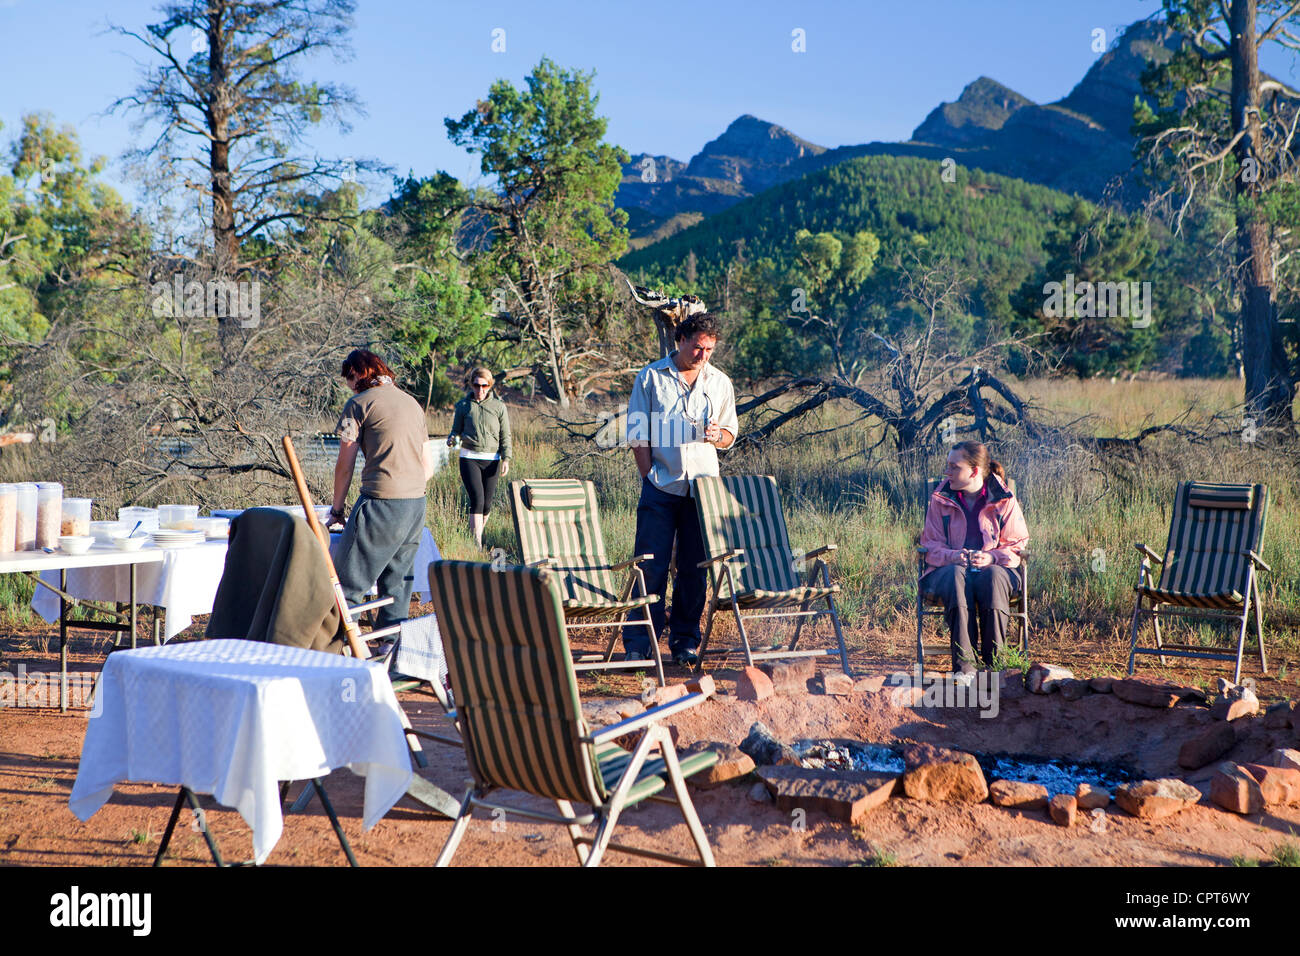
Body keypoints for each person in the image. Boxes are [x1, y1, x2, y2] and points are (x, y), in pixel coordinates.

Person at [623, 313, 738, 668]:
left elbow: (730, 437)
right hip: (661, 485)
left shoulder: (720, 382)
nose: (703, 355)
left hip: (703, 490)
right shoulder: (651, 377)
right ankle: (641, 642)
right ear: (680, 339)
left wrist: (717, 435)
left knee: (694, 569)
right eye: (697, 347)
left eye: (709, 349)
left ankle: (685, 641)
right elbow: (637, 435)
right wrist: (649, 478)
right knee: (651, 566)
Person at [330, 348, 430, 629]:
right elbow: (428, 468)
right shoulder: (412, 404)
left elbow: (344, 466)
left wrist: (337, 509)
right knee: (397, 584)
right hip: (415, 505)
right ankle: (389, 648)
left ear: (361, 373)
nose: (348, 384)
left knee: (349, 584)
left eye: (349, 377)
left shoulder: (357, 404)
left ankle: (340, 650)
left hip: (379, 502)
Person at [920, 441, 1028, 675]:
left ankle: (994, 668)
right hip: (951, 571)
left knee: (993, 576)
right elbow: (930, 544)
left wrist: (991, 557)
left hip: (995, 570)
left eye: (953, 467)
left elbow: (1017, 543)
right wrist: (953, 556)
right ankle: (965, 669)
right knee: (956, 575)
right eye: (947, 466)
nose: (947, 472)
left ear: (974, 471)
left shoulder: (1003, 498)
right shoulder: (940, 498)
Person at [447, 366, 512, 549]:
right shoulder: (463, 406)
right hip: (469, 457)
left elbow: (505, 435)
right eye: (476, 385)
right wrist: (452, 439)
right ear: (471, 385)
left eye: (484, 386)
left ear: (490, 386)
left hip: (492, 459)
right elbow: (456, 431)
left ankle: (476, 535)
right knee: (477, 498)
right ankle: (477, 544)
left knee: (487, 504)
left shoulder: (499, 407)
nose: (480, 389)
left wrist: (506, 458)